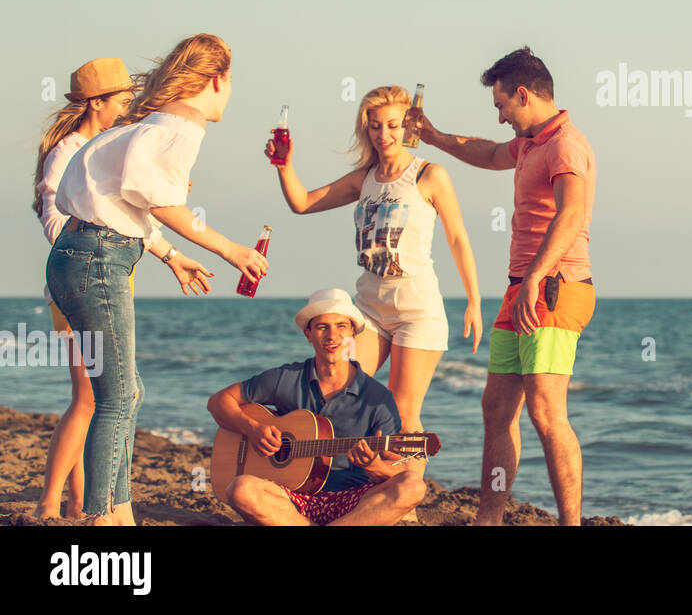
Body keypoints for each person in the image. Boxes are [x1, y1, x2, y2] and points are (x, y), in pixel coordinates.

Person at [46, 34, 268, 525]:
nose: (230, 94)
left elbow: (126, 199)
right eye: (230, 84)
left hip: (81, 255)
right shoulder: (180, 128)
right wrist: (232, 250)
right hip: (97, 260)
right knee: (117, 397)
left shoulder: (149, 125)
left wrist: (172, 256)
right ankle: (103, 517)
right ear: (217, 80)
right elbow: (164, 205)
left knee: (128, 391)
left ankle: (118, 509)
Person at [405, 47, 596, 526]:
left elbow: (572, 213)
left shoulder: (565, 145)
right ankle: (488, 519)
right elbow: (488, 153)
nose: (500, 116)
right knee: (497, 408)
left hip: (555, 286)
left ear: (524, 94)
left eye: (501, 106)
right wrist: (433, 136)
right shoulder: (532, 142)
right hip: (522, 290)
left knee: (546, 413)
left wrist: (534, 276)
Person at [32, 58, 212, 519]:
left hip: (111, 274)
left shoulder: (118, 144)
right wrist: (94, 242)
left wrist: (171, 254)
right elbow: (57, 218)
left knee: (107, 394)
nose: (131, 105)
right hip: (85, 274)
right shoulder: (70, 149)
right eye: (122, 99)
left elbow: (135, 216)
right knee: (97, 397)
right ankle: (59, 502)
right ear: (97, 102)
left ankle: (80, 501)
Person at [266, 85, 482, 433]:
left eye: (393, 125)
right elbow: (302, 202)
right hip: (369, 311)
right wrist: (284, 165)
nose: (384, 134)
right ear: (366, 129)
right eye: (375, 125)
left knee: (401, 412)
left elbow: (457, 238)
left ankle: (408, 483)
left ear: (407, 126)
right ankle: (348, 478)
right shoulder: (363, 179)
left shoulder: (429, 175)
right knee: (335, 390)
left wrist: (473, 299)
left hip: (417, 310)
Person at [208, 289, 428, 526]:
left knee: (413, 487)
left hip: (352, 502)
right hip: (290, 497)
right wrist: (251, 428)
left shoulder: (377, 398)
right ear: (308, 334)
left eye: (341, 326)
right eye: (322, 327)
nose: (332, 335)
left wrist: (373, 466)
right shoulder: (286, 377)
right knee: (239, 489)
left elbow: (398, 472)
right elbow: (219, 401)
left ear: (353, 333)